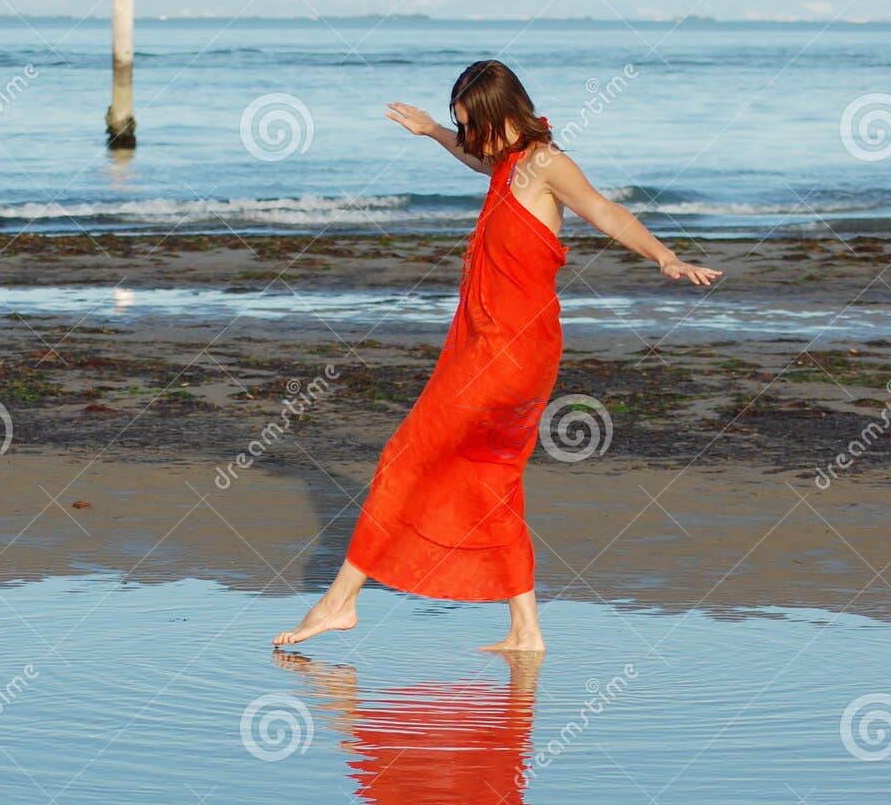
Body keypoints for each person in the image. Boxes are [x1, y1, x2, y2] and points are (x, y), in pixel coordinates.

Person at [274, 59, 721, 653]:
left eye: (469, 124)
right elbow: (475, 159)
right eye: (460, 124)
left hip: (506, 351)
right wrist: (433, 131)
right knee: (491, 476)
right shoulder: (507, 162)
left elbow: (604, 210)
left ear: (498, 115)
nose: (466, 136)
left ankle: (340, 602)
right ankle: (526, 630)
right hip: (501, 345)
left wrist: (665, 256)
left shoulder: (546, 163)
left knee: (406, 455)